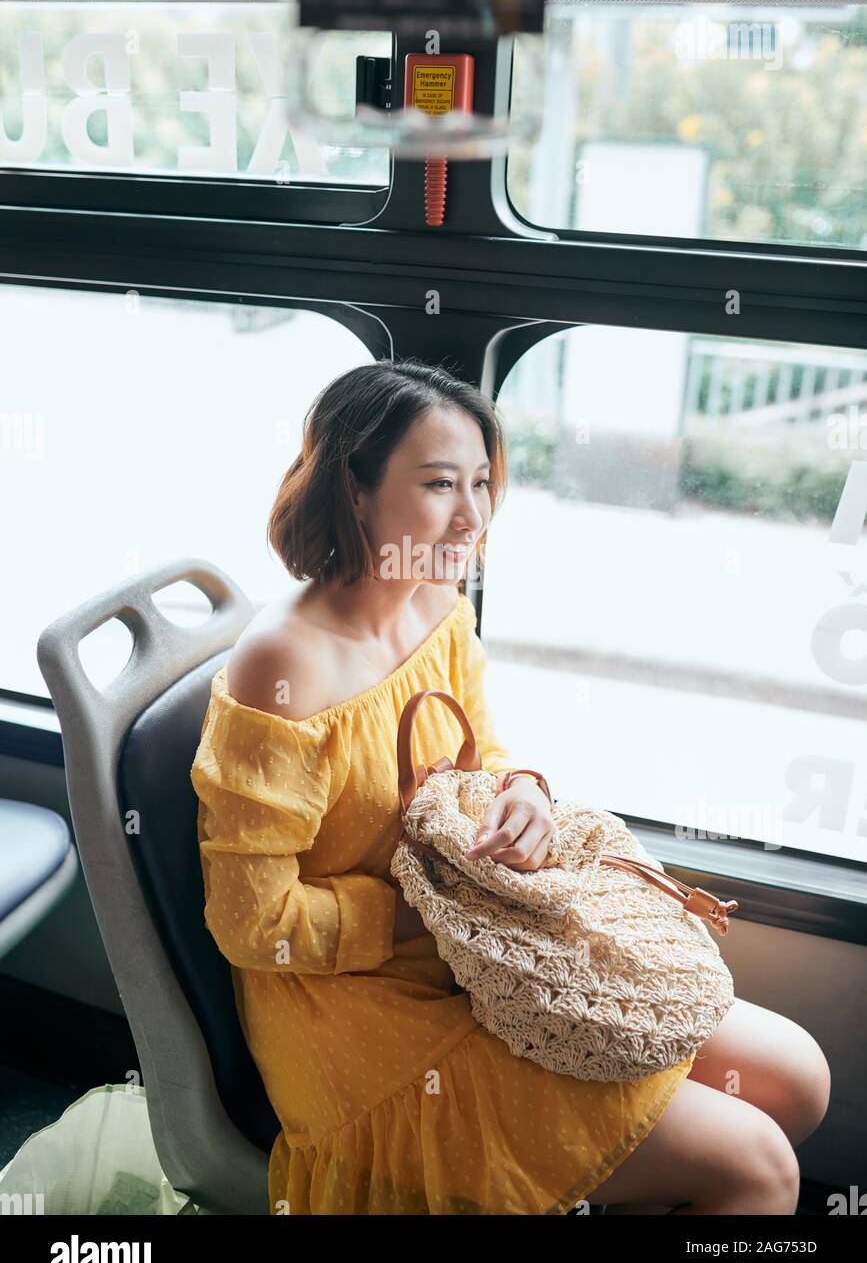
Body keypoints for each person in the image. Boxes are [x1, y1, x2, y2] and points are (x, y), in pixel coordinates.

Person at [190, 358, 830, 1215]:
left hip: (471, 936)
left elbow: (476, 755)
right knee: (754, 1166)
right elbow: (250, 922)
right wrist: (425, 908)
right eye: (439, 483)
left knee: (795, 1081)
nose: (472, 513)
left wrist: (520, 794)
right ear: (354, 489)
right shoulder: (285, 667)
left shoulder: (437, 599)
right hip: (359, 1013)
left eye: (484, 481)